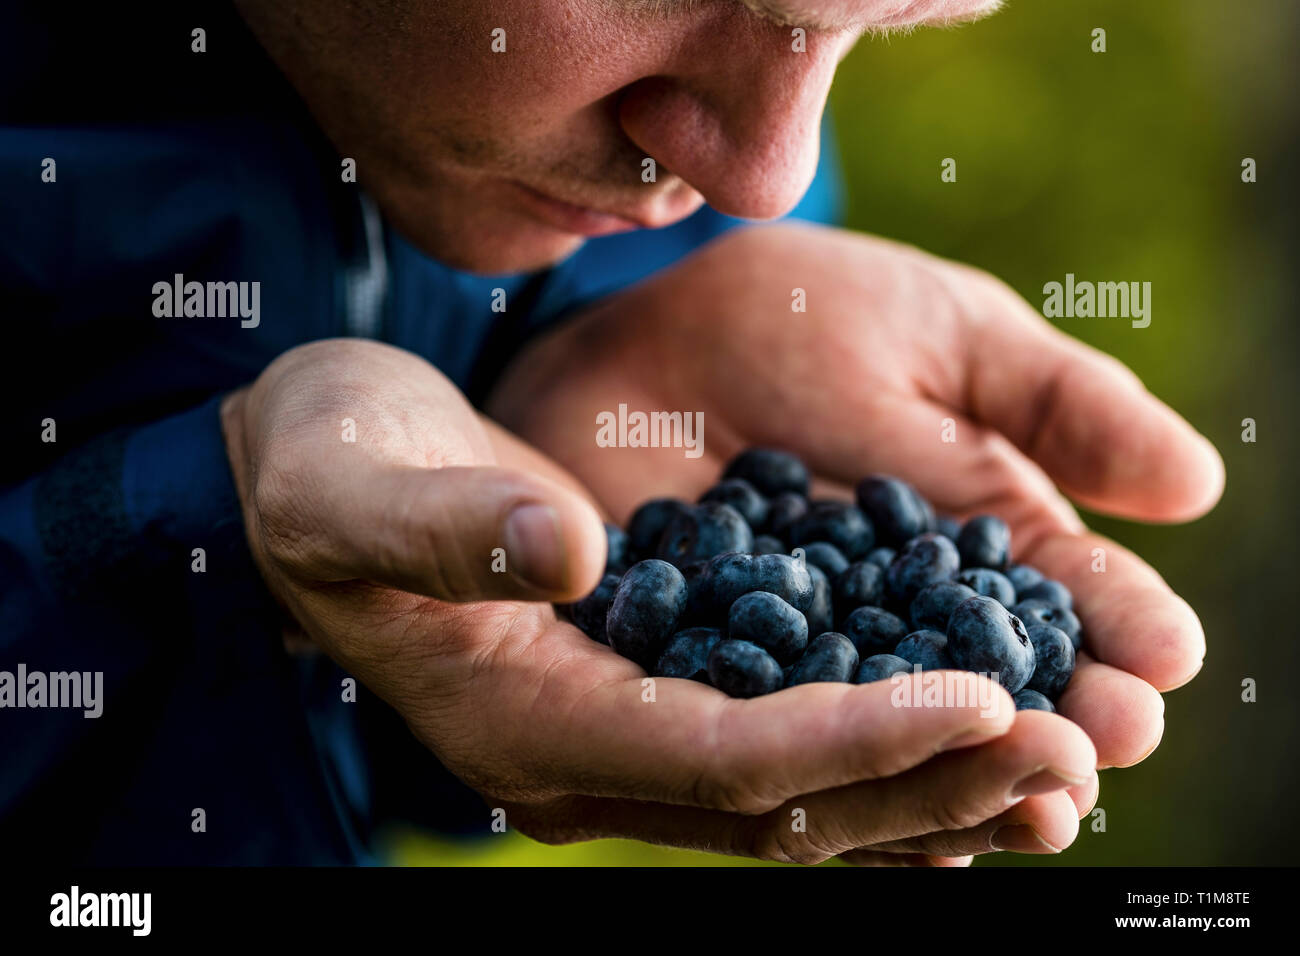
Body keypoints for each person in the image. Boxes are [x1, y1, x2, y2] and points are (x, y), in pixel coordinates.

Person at [0, 0, 1221, 865]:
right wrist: (205, 523)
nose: (768, 177)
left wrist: (527, 384)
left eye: (886, 21)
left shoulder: (657, 211)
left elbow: (372, 753)